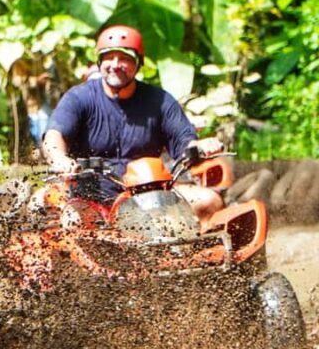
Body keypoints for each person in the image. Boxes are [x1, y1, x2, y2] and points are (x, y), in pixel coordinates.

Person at [41, 24, 224, 224]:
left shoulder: (160, 101)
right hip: (91, 197)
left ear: (138, 63)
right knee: (72, 220)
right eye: (109, 57)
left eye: (125, 58)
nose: (116, 64)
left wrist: (201, 147)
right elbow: (54, 136)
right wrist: (59, 158)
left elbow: (184, 141)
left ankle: (198, 252)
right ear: (100, 61)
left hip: (152, 195)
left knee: (209, 201)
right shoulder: (79, 97)